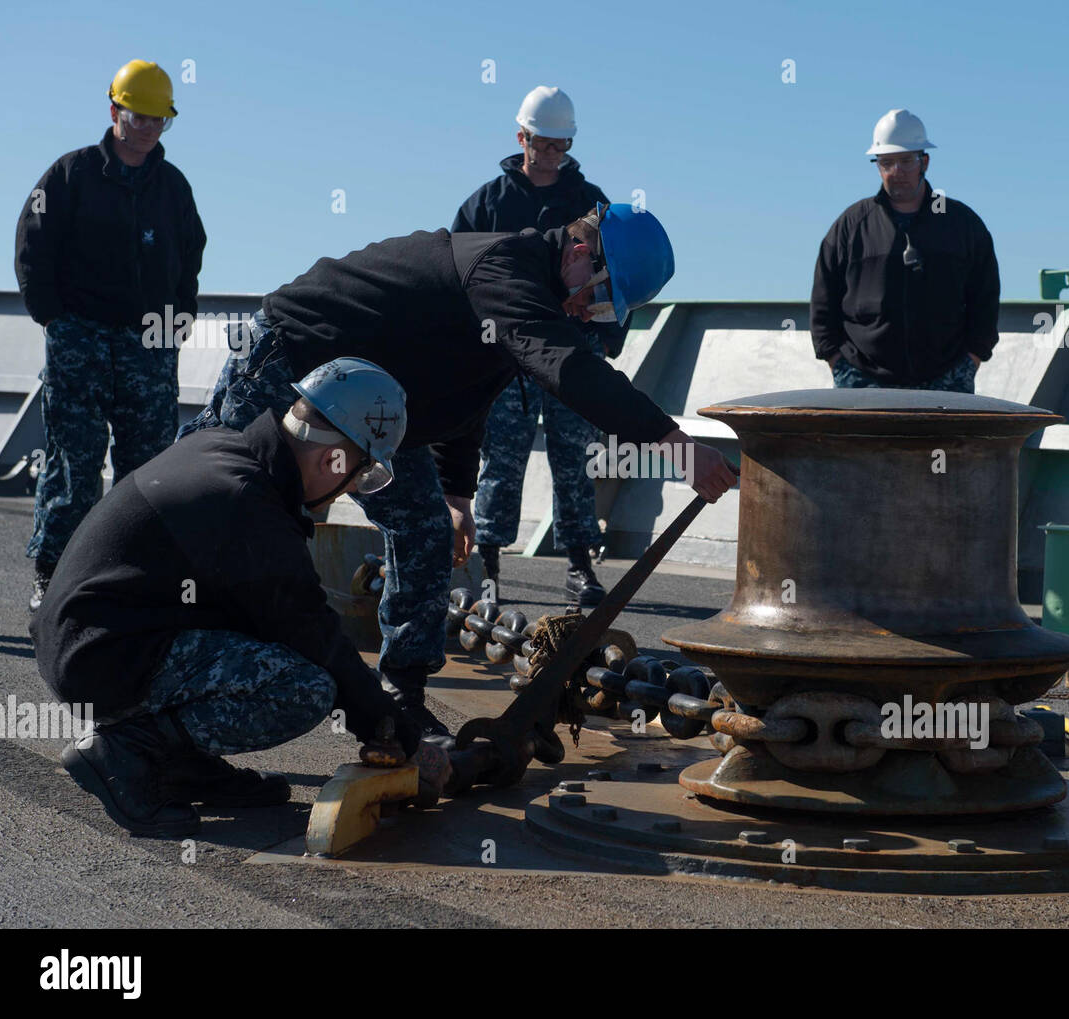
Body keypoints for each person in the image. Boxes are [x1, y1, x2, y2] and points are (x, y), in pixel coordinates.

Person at [179, 203, 738, 738]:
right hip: (295, 361)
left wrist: (455, 494)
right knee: (221, 502)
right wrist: (678, 447)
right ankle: (163, 647)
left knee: (425, 527)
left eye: (603, 311)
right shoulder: (506, 268)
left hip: (373, 404)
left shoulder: (521, 297)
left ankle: (402, 695)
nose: (586, 314)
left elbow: (463, 396)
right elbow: (570, 369)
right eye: (597, 298)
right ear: (578, 249)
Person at [30, 360, 445, 838]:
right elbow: (313, 635)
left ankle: (182, 765)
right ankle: (129, 751)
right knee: (302, 687)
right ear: (333, 457)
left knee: (271, 645)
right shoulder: (246, 500)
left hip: (97, 639)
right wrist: (396, 734)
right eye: (360, 471)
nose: (353, 486)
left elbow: (274, 615)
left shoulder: (226, 450)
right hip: (102, 659)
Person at [15, 59, 207, 612]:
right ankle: (52, 577)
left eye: (158, 120)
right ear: (114, 110)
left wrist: (176, 323)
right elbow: (33, 245)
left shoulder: (173, 188)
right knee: (74, 461)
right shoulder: (70, 175)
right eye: (138, 116)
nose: (147, 128)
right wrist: (55, 319)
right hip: (80, 337)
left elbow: (190, 258)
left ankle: (131, 576)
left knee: (146, 468)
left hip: (149, 343)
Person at [454, 85, 623, 607]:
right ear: (521, 137)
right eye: (543, 143)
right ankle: (490, 567)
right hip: (505, 355)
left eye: (562, 146)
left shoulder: (593, 204)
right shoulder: (487, 203)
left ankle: (579, 564)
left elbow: (616, 274)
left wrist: (608, 333)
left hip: (575, 349)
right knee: (500, 459)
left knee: (573, 457)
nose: (552, 154)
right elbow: (458, 274)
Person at [810, 109, 999, 393]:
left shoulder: (962, 225)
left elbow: (985, 298)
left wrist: (971, 359)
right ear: (877, 166)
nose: (896, 172)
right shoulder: (851, 226)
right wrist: (837, 362)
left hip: (946, 379)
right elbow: (823, 300)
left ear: (924, 162)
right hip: (862, 380)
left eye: (905, 161)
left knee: (944, 442)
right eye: (886, 163)